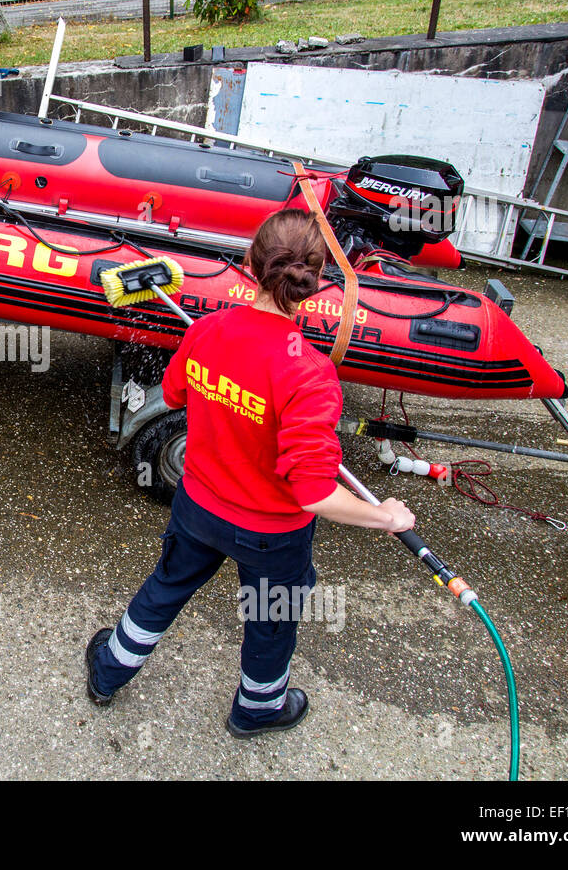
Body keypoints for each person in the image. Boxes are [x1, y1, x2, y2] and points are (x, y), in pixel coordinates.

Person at [85, 208, 415, 737]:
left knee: (166, 587)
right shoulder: (310, 373)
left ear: (248, 262)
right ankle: (258, 708)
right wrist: (385, 517)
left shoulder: (210, 330)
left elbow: (173, 394)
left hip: (198, 507)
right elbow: (314, 495)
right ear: (315, 281)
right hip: (271, 535)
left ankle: (108, 670)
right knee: (270, 621)